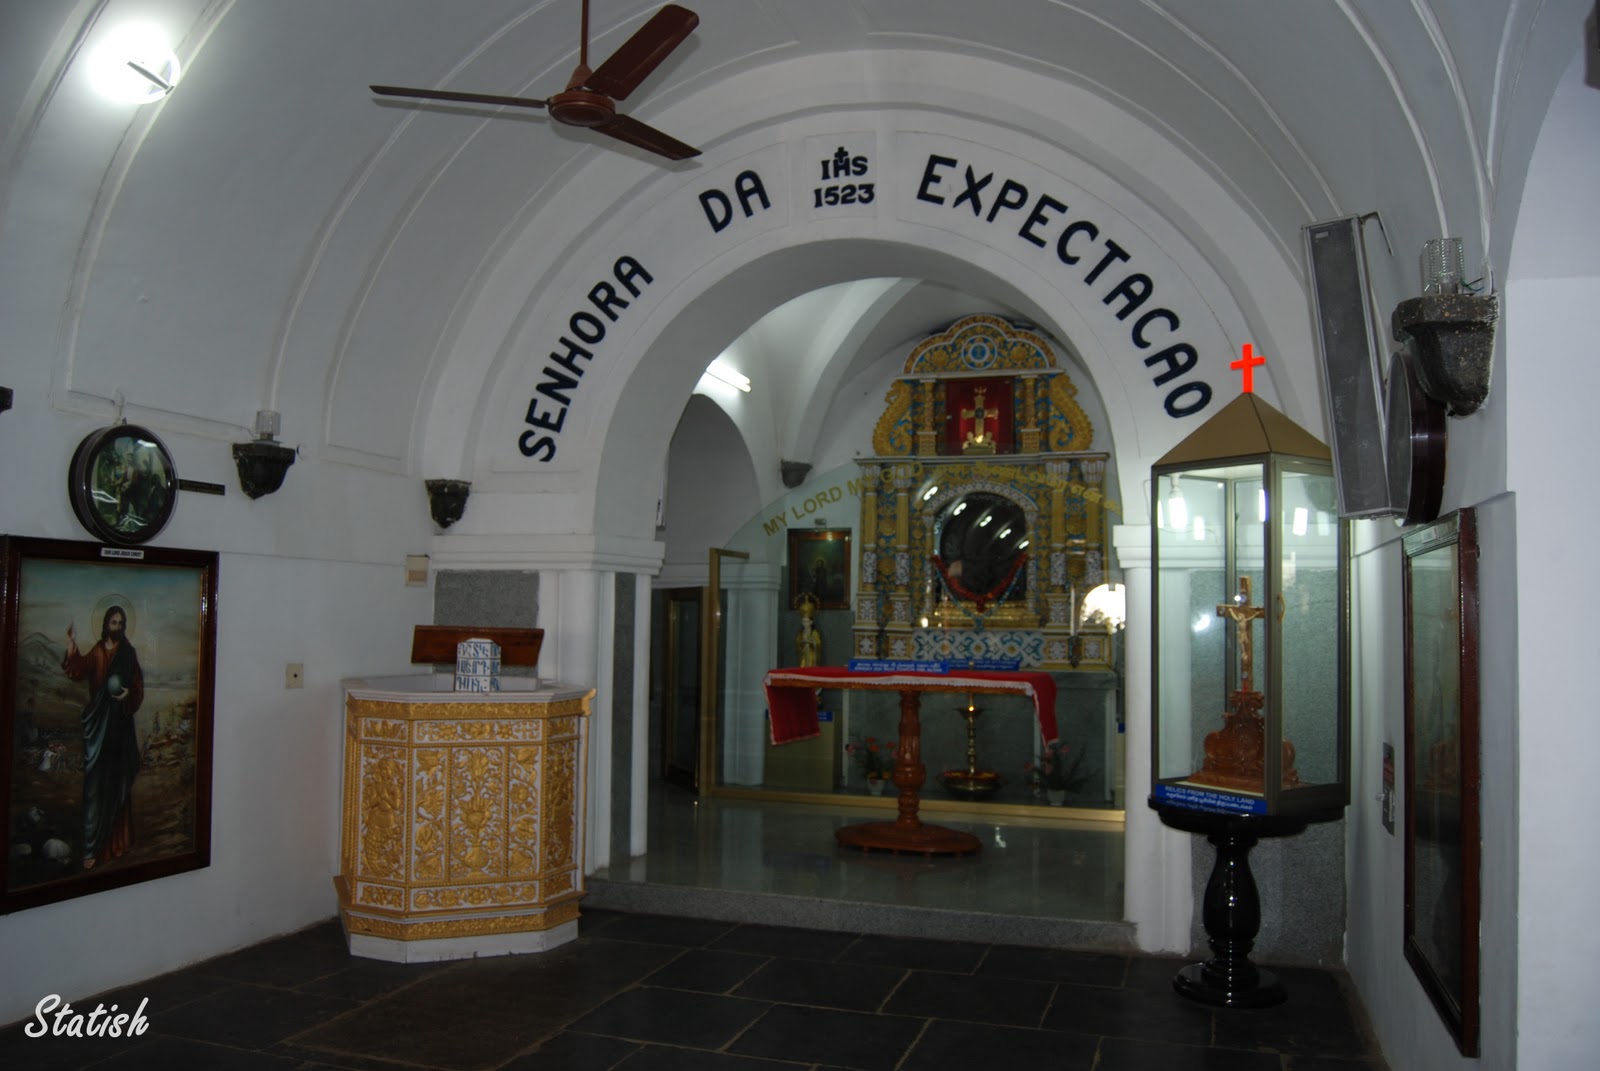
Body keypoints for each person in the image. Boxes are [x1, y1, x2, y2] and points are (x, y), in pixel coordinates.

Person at [62, 605, 144, 869]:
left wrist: (128, 694)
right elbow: (77, 669)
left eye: (121, 623)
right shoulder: (97, 652)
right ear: (106, 623)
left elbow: (137, 685)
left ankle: (117, 843)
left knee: (117, 781)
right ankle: (90, 849)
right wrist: (71, 643)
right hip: (99, 728)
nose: (117, 627)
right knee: (96, 787)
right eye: (113, 622)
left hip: (120, 727)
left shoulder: (128, 653)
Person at [795, 594, 822, 667]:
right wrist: (801, 643)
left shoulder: (814, 633)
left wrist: (811, 642)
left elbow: (818, 644)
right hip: (803, 656)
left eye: (807, 621)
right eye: (803, 621)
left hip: (812, 656)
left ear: (811, 622)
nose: (805, 624)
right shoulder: (800, 634)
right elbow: (797, 645)